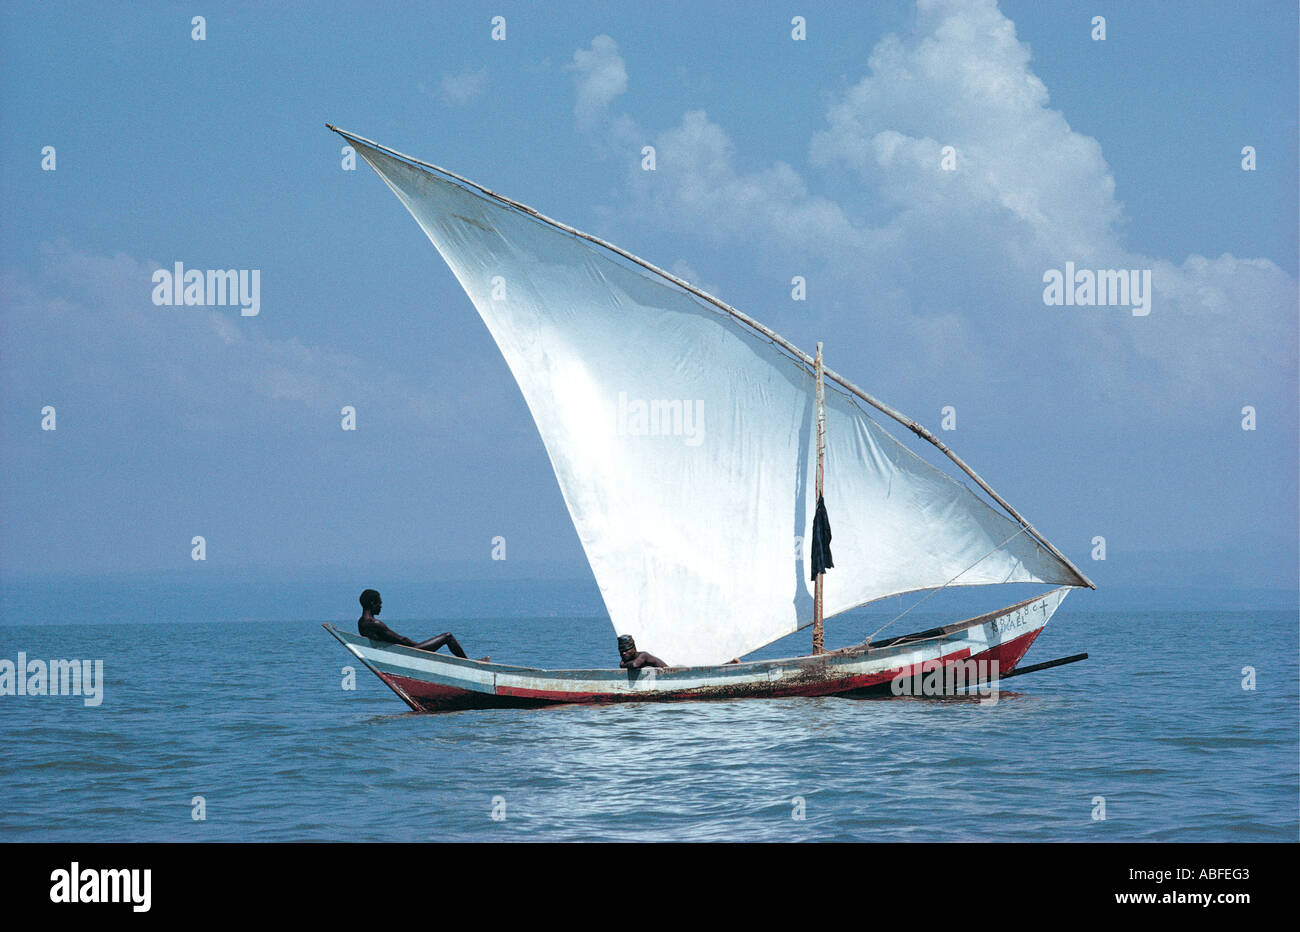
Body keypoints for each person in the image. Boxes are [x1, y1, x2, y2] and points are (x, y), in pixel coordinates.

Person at [356, 589, 473, 659]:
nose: (381, 606)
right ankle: (468, 664)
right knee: (448, 636)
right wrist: (420, 647)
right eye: (379, 603)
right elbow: (402, 640)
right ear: (372, 603)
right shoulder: (375, 623)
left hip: (396, 654)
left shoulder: (361, 623)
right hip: (408, 653)